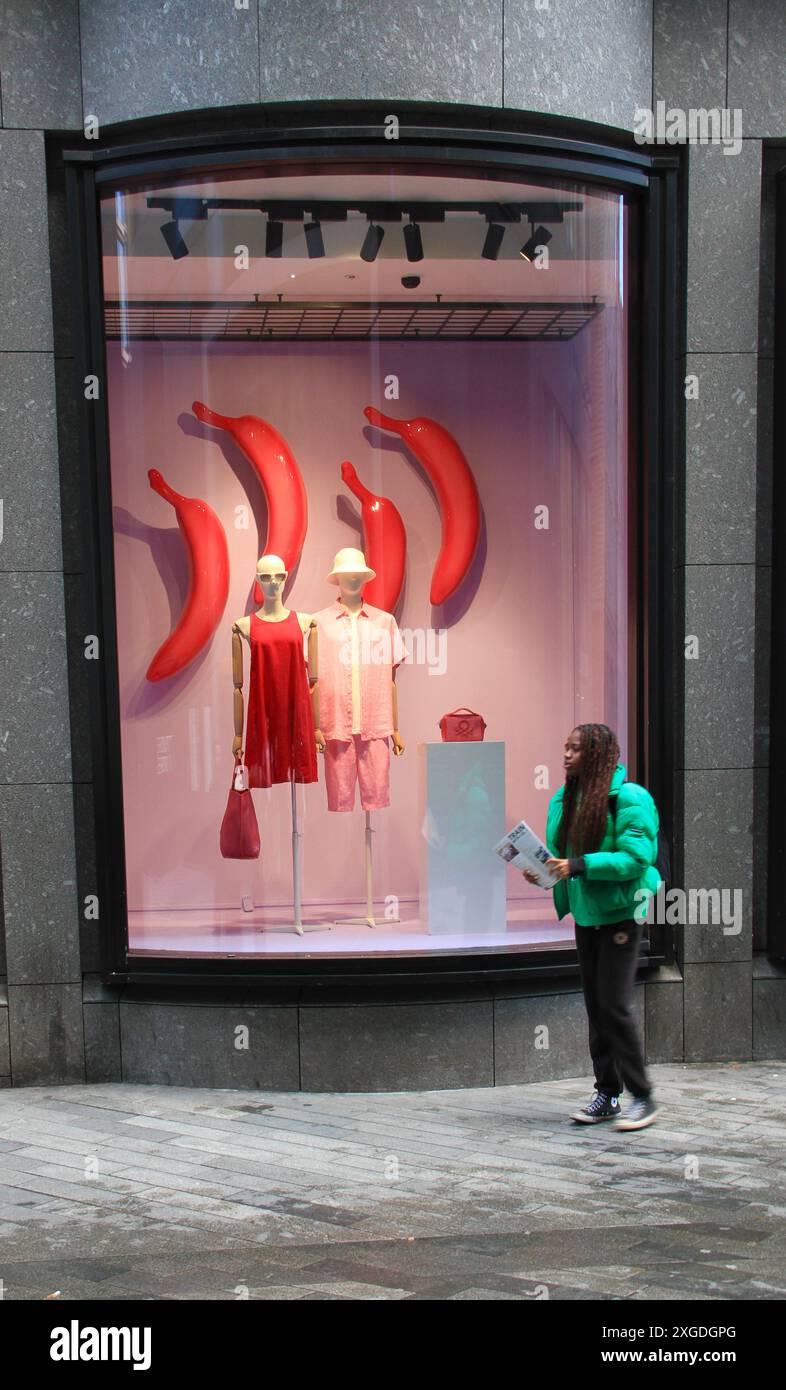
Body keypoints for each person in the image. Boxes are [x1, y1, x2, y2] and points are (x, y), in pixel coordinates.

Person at [522, 723, 661, 1131]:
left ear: (598, 754)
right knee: (596, 1007)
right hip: (587, 914)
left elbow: (637, 859)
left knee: (614, 1006)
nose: (566, 755)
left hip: (621, 913)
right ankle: (607, 1094)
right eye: (565, 747)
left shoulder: (630, 798)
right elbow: (564, 856)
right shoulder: (564, 798)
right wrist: (546, 872)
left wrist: (579, 866)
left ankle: (645, 1098)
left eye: (576, 749)